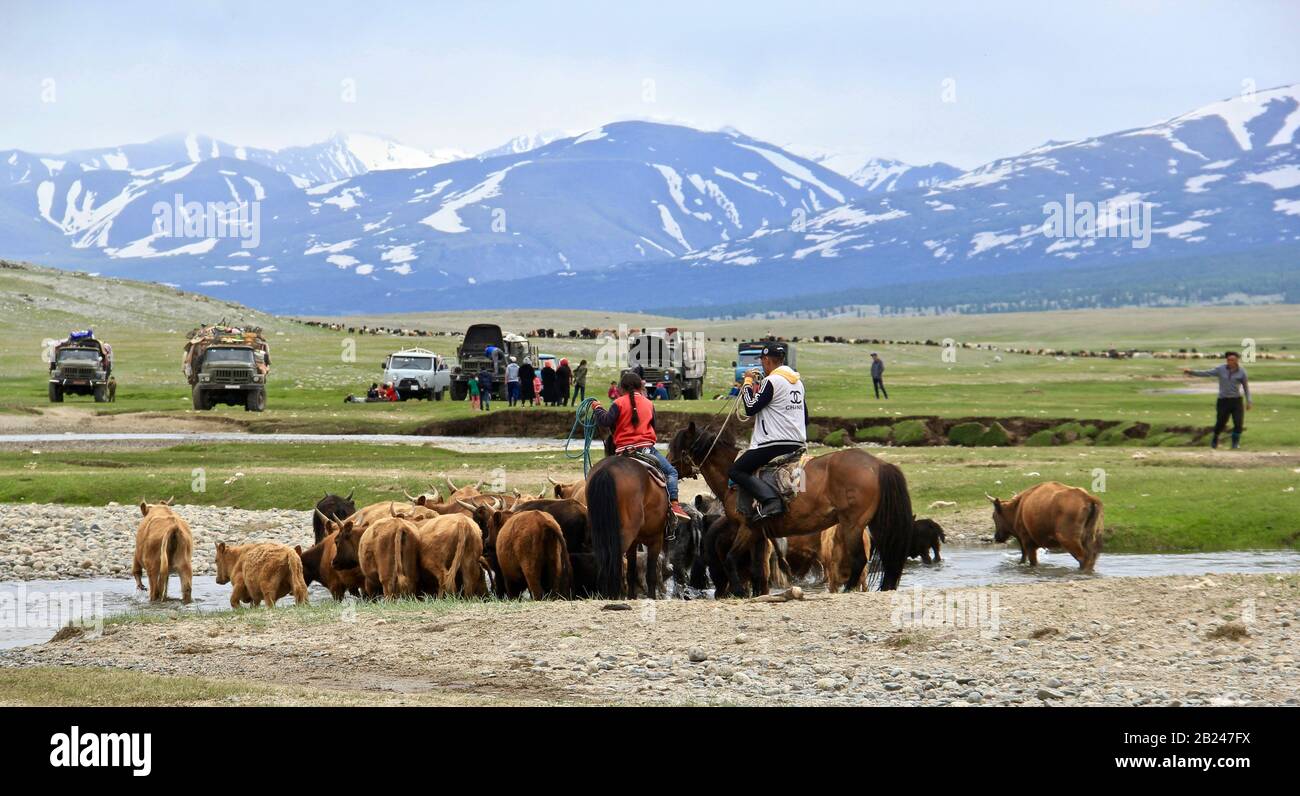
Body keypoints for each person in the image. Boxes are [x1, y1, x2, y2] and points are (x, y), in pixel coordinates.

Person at [591, 371, 690, 521]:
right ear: (640, 387)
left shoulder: (617, 403)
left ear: (621, 388)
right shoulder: (649, 404)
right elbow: (653, 426)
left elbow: (605, 421)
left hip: (623, 451)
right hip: (646, 450)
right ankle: (674, 505)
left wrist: (597, 408)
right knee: (671, 473)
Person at [730, 343, 807, 518]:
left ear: (766, 360)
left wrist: (748, 383)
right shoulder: (798, 383)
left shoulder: (771, 381)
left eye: (762, 361)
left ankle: (770, 500)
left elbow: (750, 407)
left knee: (736, 471)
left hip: (774, 443)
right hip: (796, 441)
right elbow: (805, 416)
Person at [1184, 352, 1252, 449]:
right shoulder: (1221, 369)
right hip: (1223, 401)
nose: (1229, 361)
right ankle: (1215, 438)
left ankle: (1235, 444)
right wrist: (1191, 372)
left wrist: (1249, 401)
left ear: (1237, 360)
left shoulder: (1242, 372)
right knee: (1221, 422)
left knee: (1238, 423)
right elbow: (1206, 373)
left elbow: (1246, 387)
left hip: (1236, 401)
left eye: (1232, 360)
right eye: (1228, 360)